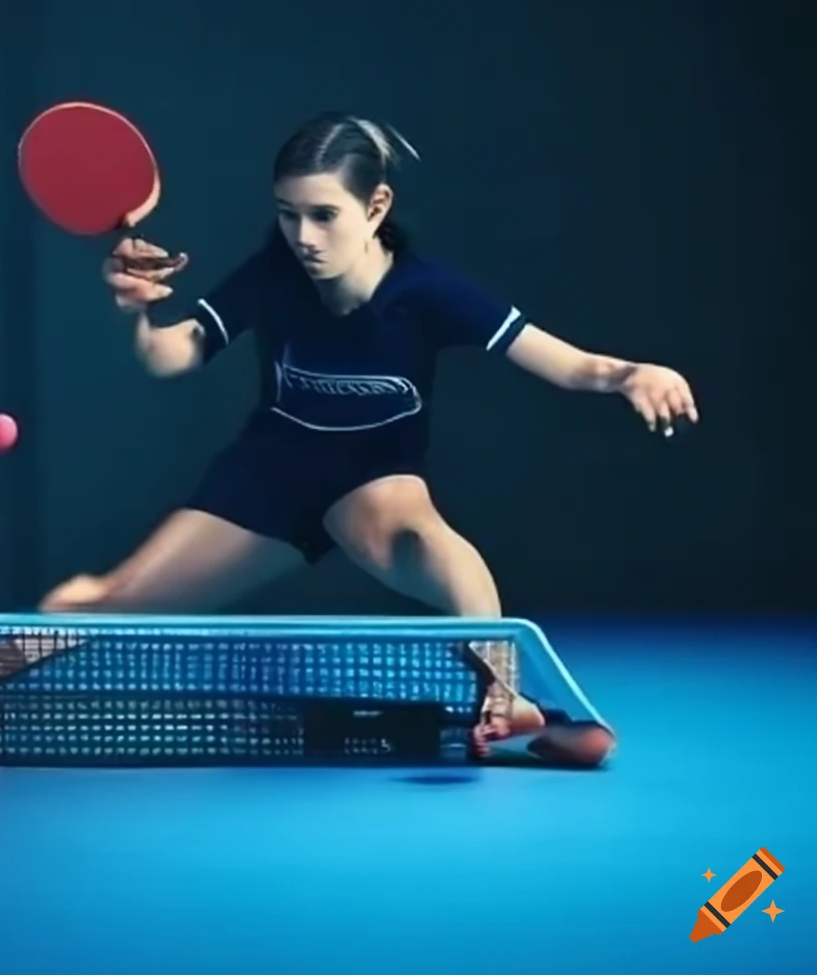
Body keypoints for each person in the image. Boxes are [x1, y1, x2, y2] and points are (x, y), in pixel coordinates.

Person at [38, 111, 699, 765]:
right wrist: (140, 309)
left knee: (420, 534)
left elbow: (570, 363)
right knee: (97, 604)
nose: (302, 236)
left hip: (373, 482)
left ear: (376, 205)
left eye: (323, 215)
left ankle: (505, 690)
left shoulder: (428, 292)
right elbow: (170, 357)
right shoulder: (273, 273)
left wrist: (634, 373)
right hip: (268, 475)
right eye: (287, 213)